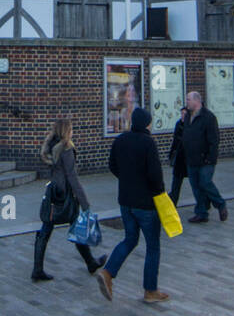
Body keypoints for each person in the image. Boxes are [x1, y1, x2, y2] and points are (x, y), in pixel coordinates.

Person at [96, 107, 168, 304]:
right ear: (146, 123)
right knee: (153, 246)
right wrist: (159, 193)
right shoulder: (148, 143)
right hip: (146, 203)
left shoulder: (120, 140)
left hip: (126, 201)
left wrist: (127, 180)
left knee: (129, 239)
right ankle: (150, 290)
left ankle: (108, 272)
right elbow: (155, 175)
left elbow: (112, 165)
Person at [32, 117, 107, 281]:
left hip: (53, 191)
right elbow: (72, 177)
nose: (73, 132)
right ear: (66, 131)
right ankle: (90, 262)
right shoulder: (66, 148)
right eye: (71, 129)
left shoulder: (50, 147)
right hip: (65, 193)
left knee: (46, 228)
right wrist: (85, 202)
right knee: (75, 224)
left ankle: (38, 269)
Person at [182, 91, 227, 223]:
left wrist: (210, 158)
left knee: (205, 182)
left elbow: (214, 140)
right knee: (196, 186)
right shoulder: (187, 116)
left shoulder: (208, 117)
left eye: (188, 99)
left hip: (205, 159)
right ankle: (201, 212)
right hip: (191, 158)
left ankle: (220, 203)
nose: (187, 102)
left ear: (197, 101)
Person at [167, 106, 189, 206]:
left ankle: (205, 202)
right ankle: (173, 202)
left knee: (196, 183)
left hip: (188, 159)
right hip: (179, 158)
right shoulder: (178, 124)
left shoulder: (191, 125)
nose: (182, 116)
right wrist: (171, 154)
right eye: (182, 114)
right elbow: (175, 141)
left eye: (185, 114)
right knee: (176, 183)